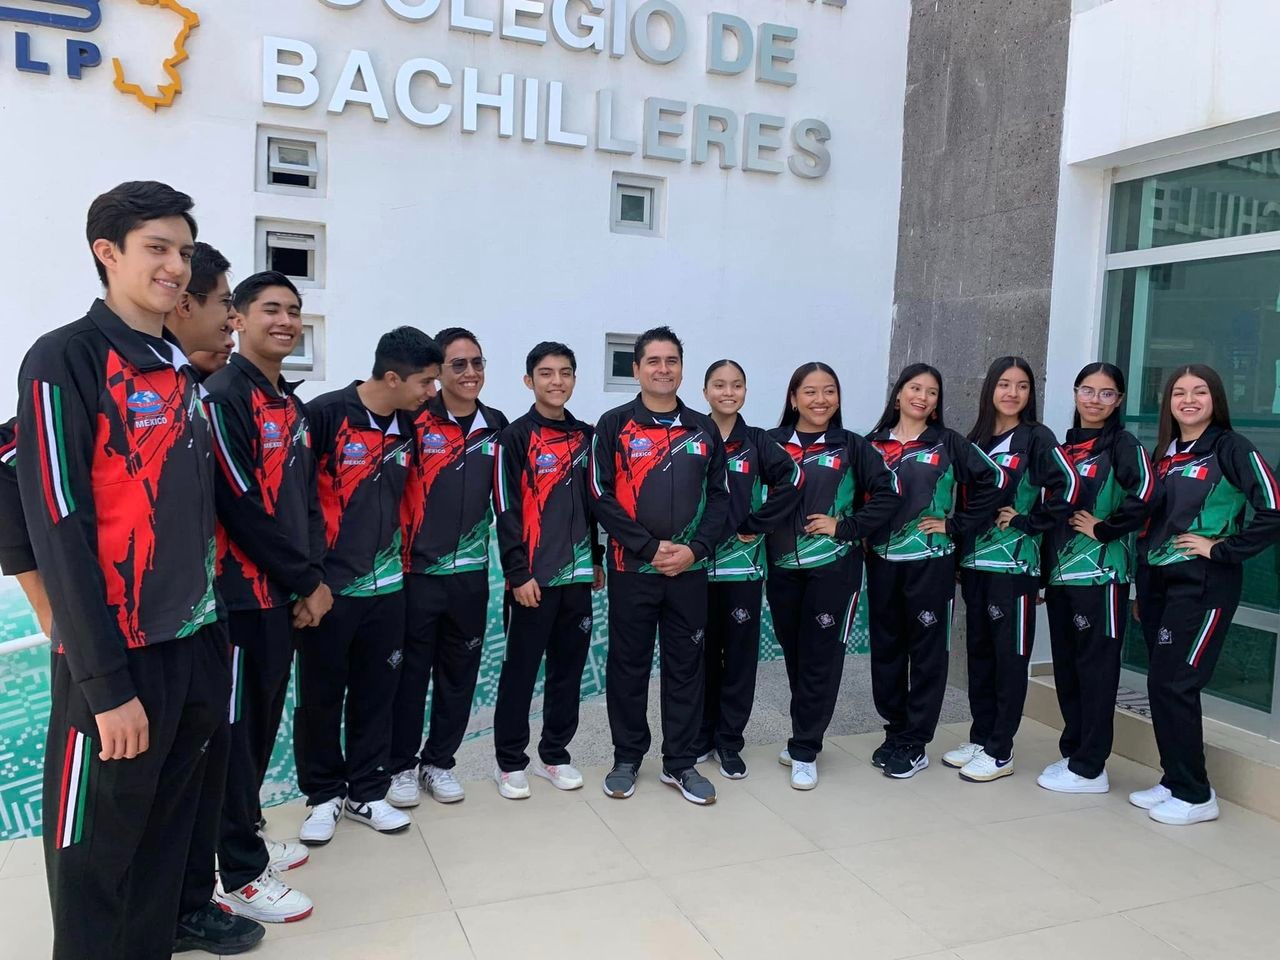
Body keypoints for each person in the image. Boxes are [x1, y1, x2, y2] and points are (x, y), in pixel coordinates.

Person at [16, 181, 256, 960]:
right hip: (119, 666)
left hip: (193, 650)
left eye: (184, 252)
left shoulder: (176, 367)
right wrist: (99, 677)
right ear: (107, 253)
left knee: (161, 854)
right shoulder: (66, 358)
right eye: (157, 248)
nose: (176, 267)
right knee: (97, 866)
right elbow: (53, 516)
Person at [204, 272, 331, 921]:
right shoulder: (225, 394)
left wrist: (309, 578)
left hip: (281, 596)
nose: (285, 320)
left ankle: (244, 837)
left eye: (294, 311)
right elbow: (241, 507)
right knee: (237, 734)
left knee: (258, 728)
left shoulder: (290, 404)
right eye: (271, 309)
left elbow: (304, 497)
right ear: (238, 318)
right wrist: (304, 580)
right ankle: (240, 878)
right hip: (237, 598)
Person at [295, 327, 442, 844]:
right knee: (320, 698)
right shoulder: (325, 415)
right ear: (391, 376)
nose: (432, 392)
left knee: (378, 694)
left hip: (389, 589)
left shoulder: (411, 427)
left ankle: (366, 792)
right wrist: (309, 580)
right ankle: (321, 795)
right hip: (330, 592)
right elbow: (297, 502)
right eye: (426, 382)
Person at [1131, 364, 1280, 825]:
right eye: (1179, 392)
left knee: (1177, 684)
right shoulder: (1166, 452)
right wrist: (1141, 585)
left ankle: (1196, 795)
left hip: (1203, 585)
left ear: (1216, 398)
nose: (1188, 400)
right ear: (1168, 402)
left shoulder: (1230, 447)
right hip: (1159, 584)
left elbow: (1272, 506)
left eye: (1199, 392)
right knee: (1161, 683)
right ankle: (1176, 779)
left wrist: (1224, 549)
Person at [590, 326, 729, 805]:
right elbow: (600, 495)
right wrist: (648, 548)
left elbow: (721, 499)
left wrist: (696, 550)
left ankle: (680, 762)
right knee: (628, 667)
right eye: (653, 361)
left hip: (689, 573)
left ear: (681, 369)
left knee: (686, 666)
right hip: (634, 570)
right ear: (636, 370)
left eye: (672, 361)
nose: (663, 369)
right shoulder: (613, 425)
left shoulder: (701, 428)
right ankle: (627, 757)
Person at [865, 363, 1006, 779]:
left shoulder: (948, 443)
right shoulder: (871, 445)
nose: (922, 397)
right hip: (882, 563)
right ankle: (895, 732)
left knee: (926, 653)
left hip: (931, 563)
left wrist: (956, 524)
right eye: (914, 388)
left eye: (931, 392)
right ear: (898, 395)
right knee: (887, 651)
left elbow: (994, 480)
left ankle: (916, 741)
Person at [388, 327, 508, 807]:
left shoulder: (497, 425)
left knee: (460, 673)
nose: (471, 373)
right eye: (458, 364)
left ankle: (439, 763)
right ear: (438, 371)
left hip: (472, 575)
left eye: (477, 362)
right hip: (418, 574)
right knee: (411, 675)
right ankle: (399, 766)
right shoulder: (413, 419)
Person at [765, 363, 899, 789]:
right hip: (782, 567)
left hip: (834, 570)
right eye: (810, 392)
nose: (819, 400)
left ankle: (806, 746)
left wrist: (846, 527)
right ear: (793, 398)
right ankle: (804, 729)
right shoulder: (769, 444)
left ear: (838, 399)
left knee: (822, 656)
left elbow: (888, 494)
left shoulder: (852, 446)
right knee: (795, 653)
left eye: (829, 392)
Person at [948, 357, 1077, 782]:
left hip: (1015, 567)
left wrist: (1029, 522)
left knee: (1010, 658)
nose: (1012, 393)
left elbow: (1069, 486)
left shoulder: (1037, 438)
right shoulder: (976, 439)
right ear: (990, 390)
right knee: (981, 656)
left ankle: (1001, 750)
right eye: (1004, 384)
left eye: (1022, 386)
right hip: (976, 565)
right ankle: (982, 738)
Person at [489, 342, 604, 798]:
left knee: (568, 670)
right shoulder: (514, 437)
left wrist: (595, 559)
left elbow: (595, 504)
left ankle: (554, 755)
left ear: (574, 379)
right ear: (528, 381)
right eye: (546, 373)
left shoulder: (587, 437)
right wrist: (518, 573)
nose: (557, 381)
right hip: (533, 580)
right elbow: (506, 508)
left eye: (565, 373)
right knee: (521, 670)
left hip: (577, 578)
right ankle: (509, 762)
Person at [1037, 362, 1154, 794]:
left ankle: (1091, 766)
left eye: (1106, 393)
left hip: (1102, 577)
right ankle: (1074, 754)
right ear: (1074, 393)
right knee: (1068, 669)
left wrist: (1105, 529)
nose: (1095, 400)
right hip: (1065, 577)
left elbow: (1146, 493)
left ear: (1119, 401)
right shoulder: (1063, 448)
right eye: (1087, 390)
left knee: (1096, 670)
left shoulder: (1122, 444)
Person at [693, 359, 805, 780]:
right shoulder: (690, 434)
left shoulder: (757, 442)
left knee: (738, 660)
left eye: (736, 385)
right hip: (696, 570)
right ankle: (699, 736)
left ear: (745, 391)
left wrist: (755, 526)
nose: (727, 392)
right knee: (699, 657)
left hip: (742, 573)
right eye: (719, 385)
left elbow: (792, 481)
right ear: (705, 392)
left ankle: (729, 742)